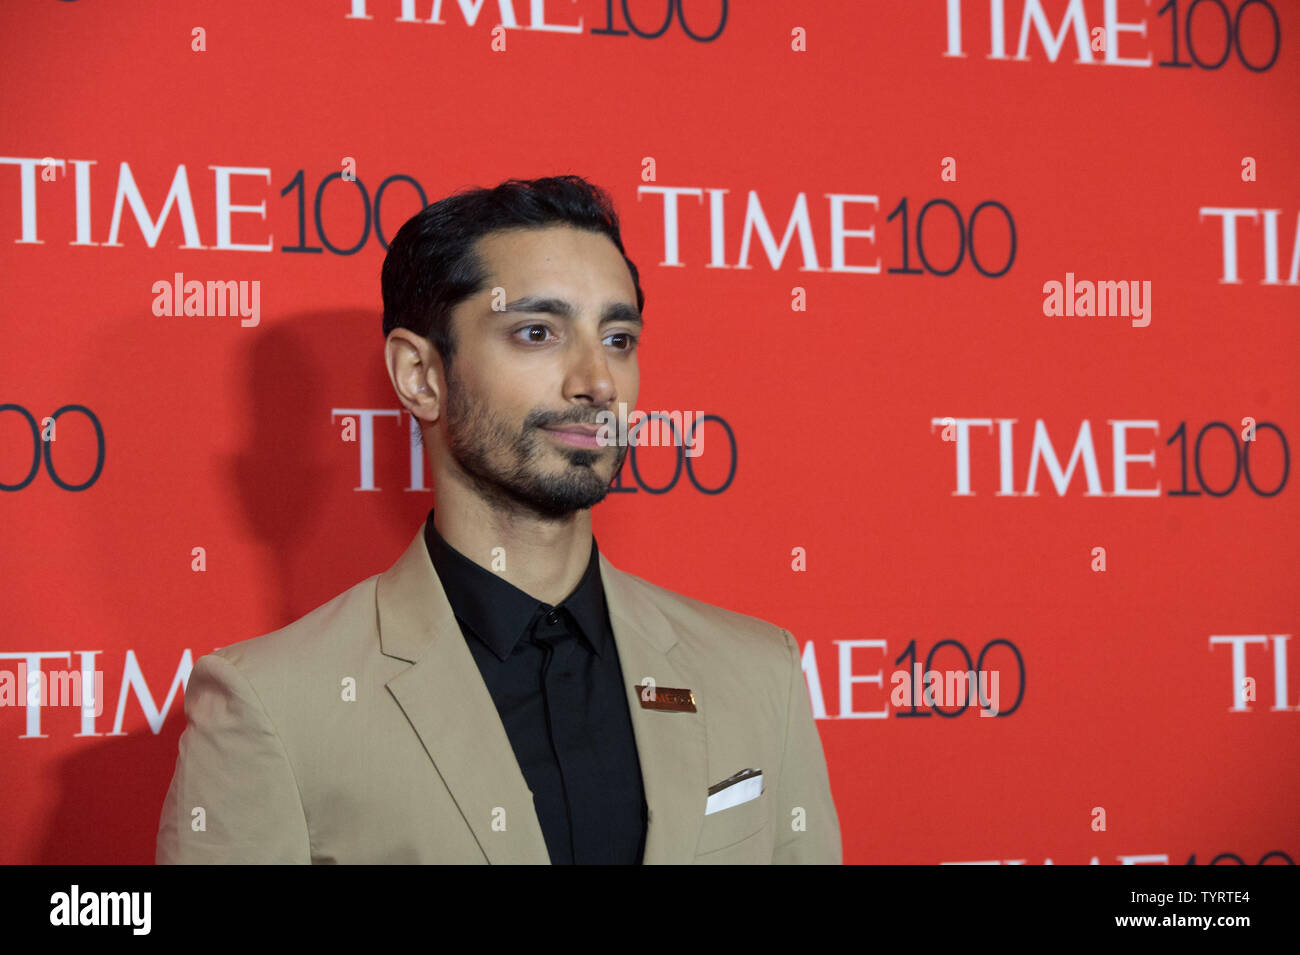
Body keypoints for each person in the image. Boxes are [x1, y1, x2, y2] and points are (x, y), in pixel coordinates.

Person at [155, 175, 841, 864]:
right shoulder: (273, 708)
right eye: (537, 332)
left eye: (619, 337)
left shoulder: (758, 676)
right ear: (421, 375)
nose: (597, 381)